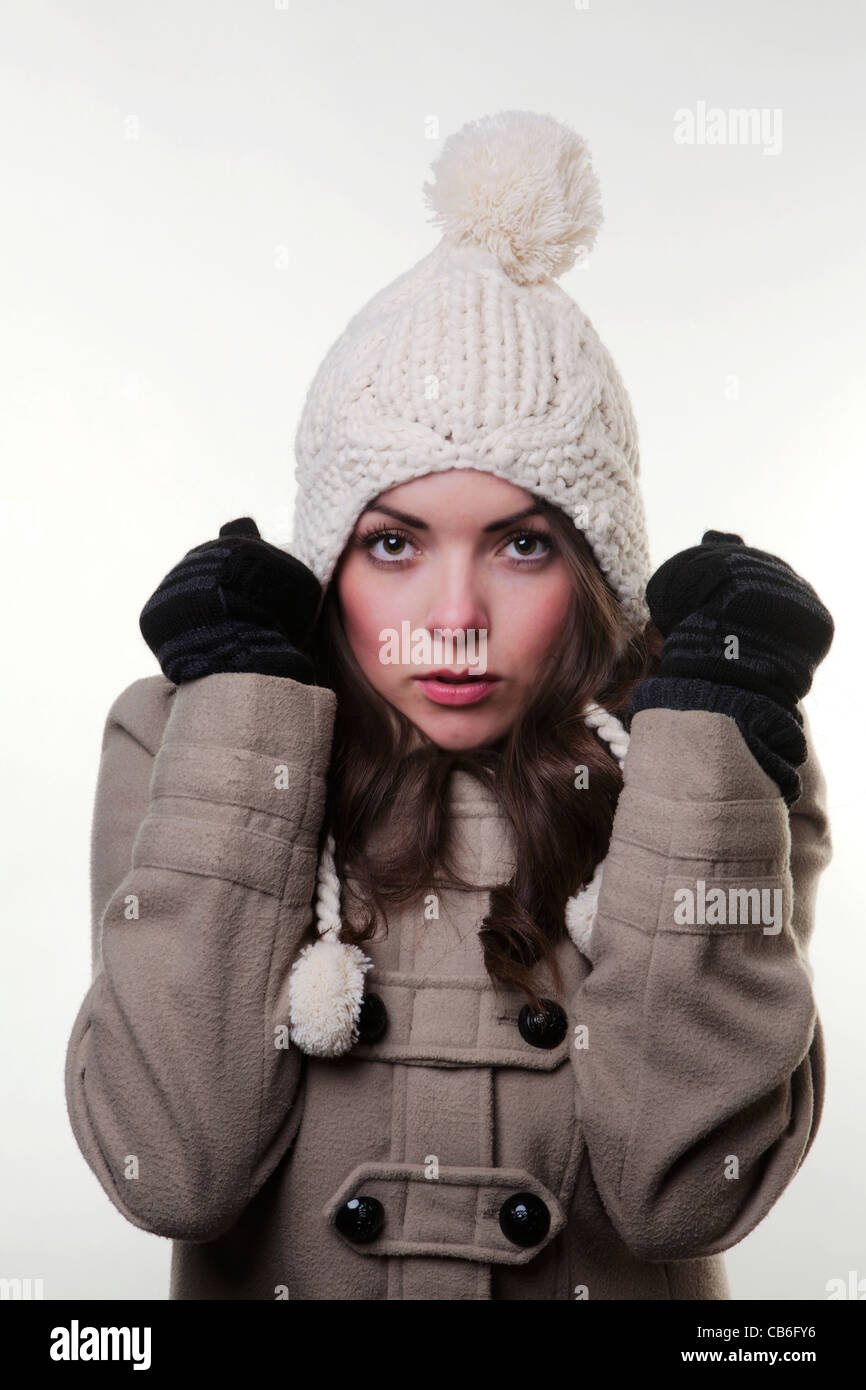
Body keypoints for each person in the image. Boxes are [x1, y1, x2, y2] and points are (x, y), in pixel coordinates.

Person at [64, 109, 834, 1301]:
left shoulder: (708, 765)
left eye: (521, 543)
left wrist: (712, 752)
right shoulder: (179, 738)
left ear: (594, 571)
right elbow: (170, 1170)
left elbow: (685, 1194)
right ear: (327, 560)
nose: (452, 615)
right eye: (391, 544)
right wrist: (240, 720)